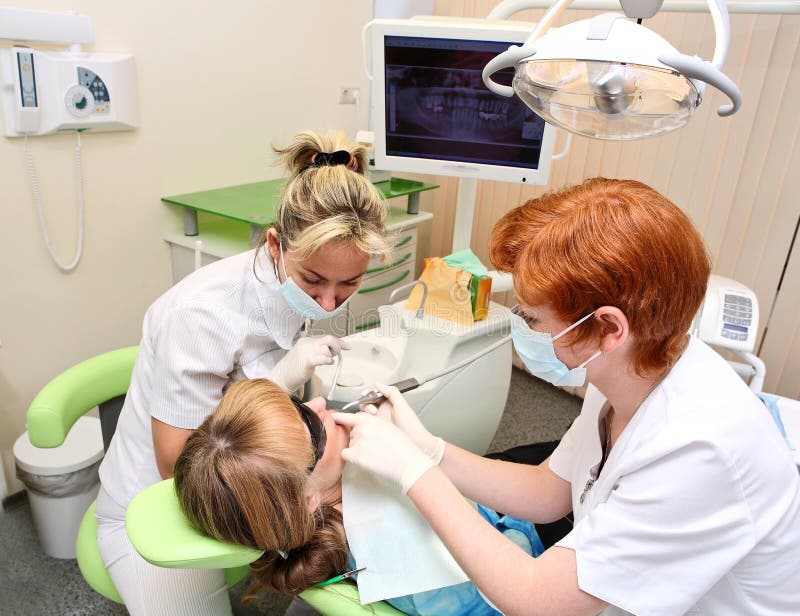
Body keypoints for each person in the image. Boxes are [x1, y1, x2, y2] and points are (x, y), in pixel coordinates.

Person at [335, 178, 800, 615]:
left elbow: (538, 600)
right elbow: (547, 494)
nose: (520, 326)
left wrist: (415, 475)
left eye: (533, 319)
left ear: (609, 328)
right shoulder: (630, 369)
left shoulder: (700, 450)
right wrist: (431, 450)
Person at [95, 130, 393, 615]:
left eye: (350, 284)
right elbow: (181, 468)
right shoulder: (202, 318)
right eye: (314, 281)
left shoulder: (297, 281)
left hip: (250, 480)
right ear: (275, 245)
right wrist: (277, 385)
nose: (327, 303)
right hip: (161, 503)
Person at [173, 378, 545, 616]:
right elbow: (520, 586)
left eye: (299, 405)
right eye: (313, 431)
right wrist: (424, 469)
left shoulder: (306, 523)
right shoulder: (417, 563)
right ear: (305, 500)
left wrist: (427, 452)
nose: (320, 403)